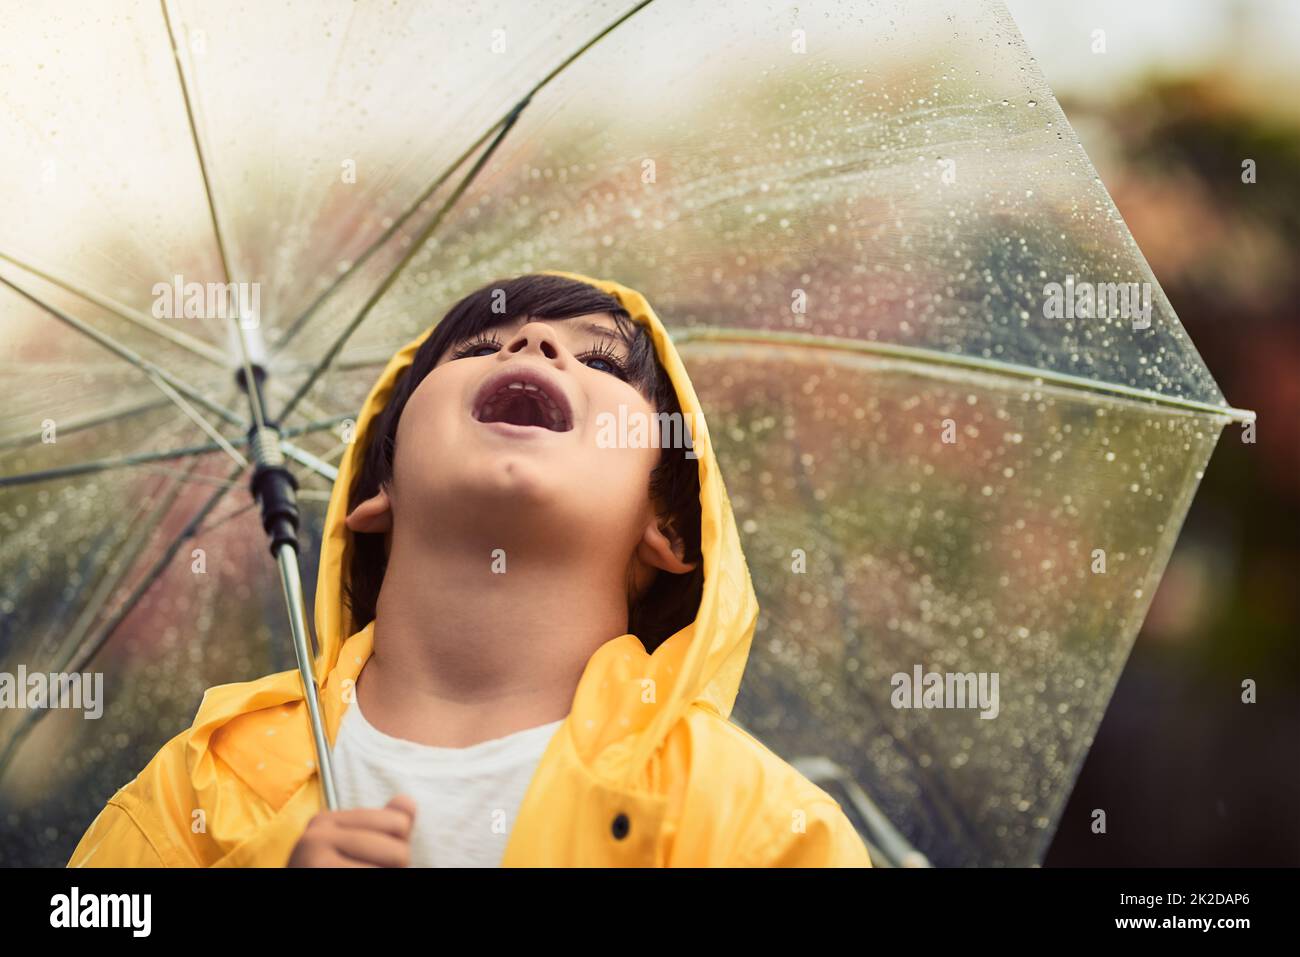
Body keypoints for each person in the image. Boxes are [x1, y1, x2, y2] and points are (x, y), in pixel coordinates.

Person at [67, 271, 873, 867]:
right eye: (483, 347)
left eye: (600, 364)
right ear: (376, 488)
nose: (533, 343)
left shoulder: (751, 823)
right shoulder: (205, 783)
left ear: (667, 522)